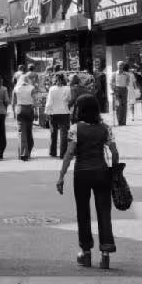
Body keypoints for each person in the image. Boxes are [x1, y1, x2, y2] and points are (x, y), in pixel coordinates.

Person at [55, 94, 118, 270]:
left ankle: (86, 254)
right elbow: (115, 153)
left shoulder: (75, 129)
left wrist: (61, 176)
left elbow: (69, 154)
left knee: (83, 213)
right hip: (102, 173)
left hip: (81, 174)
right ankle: (105, 255)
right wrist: (115, 172)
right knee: (104, 212)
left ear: (80, 110)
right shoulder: (106, 128)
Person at [45, 72, 72, 158]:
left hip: (53, 113)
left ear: (55, 79)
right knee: (64, 134)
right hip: (64, 113)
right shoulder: (68, 89)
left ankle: (52, 152)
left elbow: (49, 102)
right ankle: (63, 153)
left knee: (53, 133)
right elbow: (69, 100)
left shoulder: (52, 89)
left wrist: (47, 112)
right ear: (64, 79)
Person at [12, 72, 37, 160]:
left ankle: (23, 153)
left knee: (21, 132)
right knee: (29, 131)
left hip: (20, 109)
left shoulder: (16, 88)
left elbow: (13, 102)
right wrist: (35, 112)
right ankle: (29, 151)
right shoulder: (32, 88)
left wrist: (14, 112)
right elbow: (34, 101)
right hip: (29, 109)